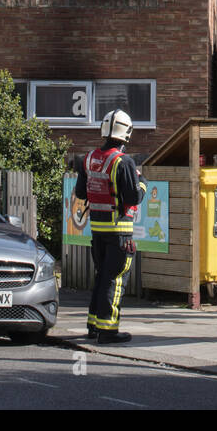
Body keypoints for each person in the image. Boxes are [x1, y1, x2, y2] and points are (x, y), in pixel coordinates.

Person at [75, 109, 146, 344]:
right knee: (115, 280)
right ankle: (108, 330)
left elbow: (80, 192)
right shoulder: (123, 162)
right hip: (120, 233)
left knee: (102, 277)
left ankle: (94, 326)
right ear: (126, 132)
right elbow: (133, 197)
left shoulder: (89, 158)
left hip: (97, 230)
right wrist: (142, 183)